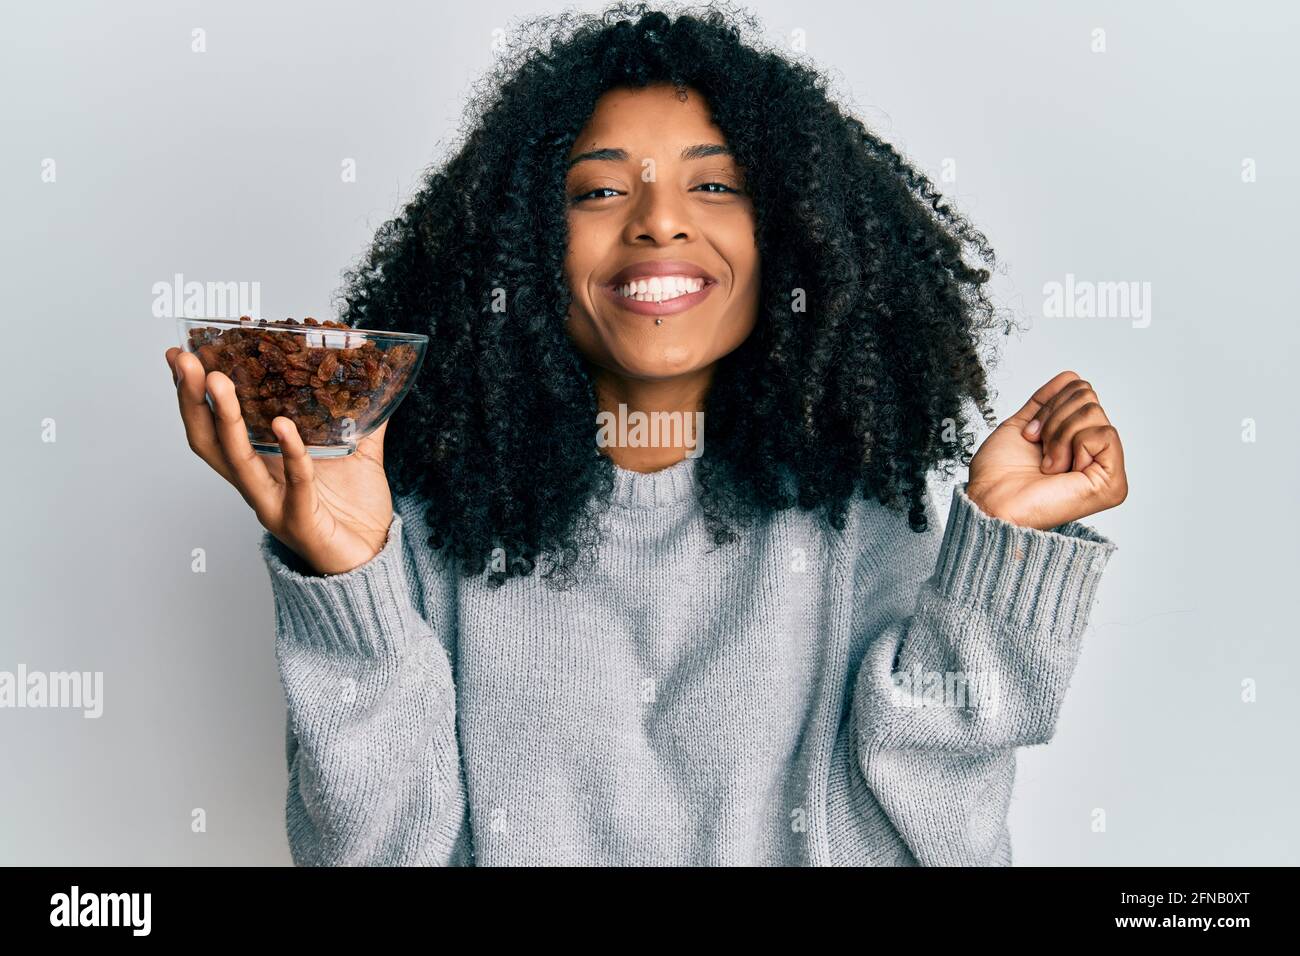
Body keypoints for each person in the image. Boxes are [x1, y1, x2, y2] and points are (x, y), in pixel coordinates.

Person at [164, 3, 1127, 865]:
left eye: (716, 188)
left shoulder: (867, 529)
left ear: (792, 236)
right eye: (597, 191)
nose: (660, 222)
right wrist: (347, 581)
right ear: (525, 244)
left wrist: (994, 573)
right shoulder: (411, 528)